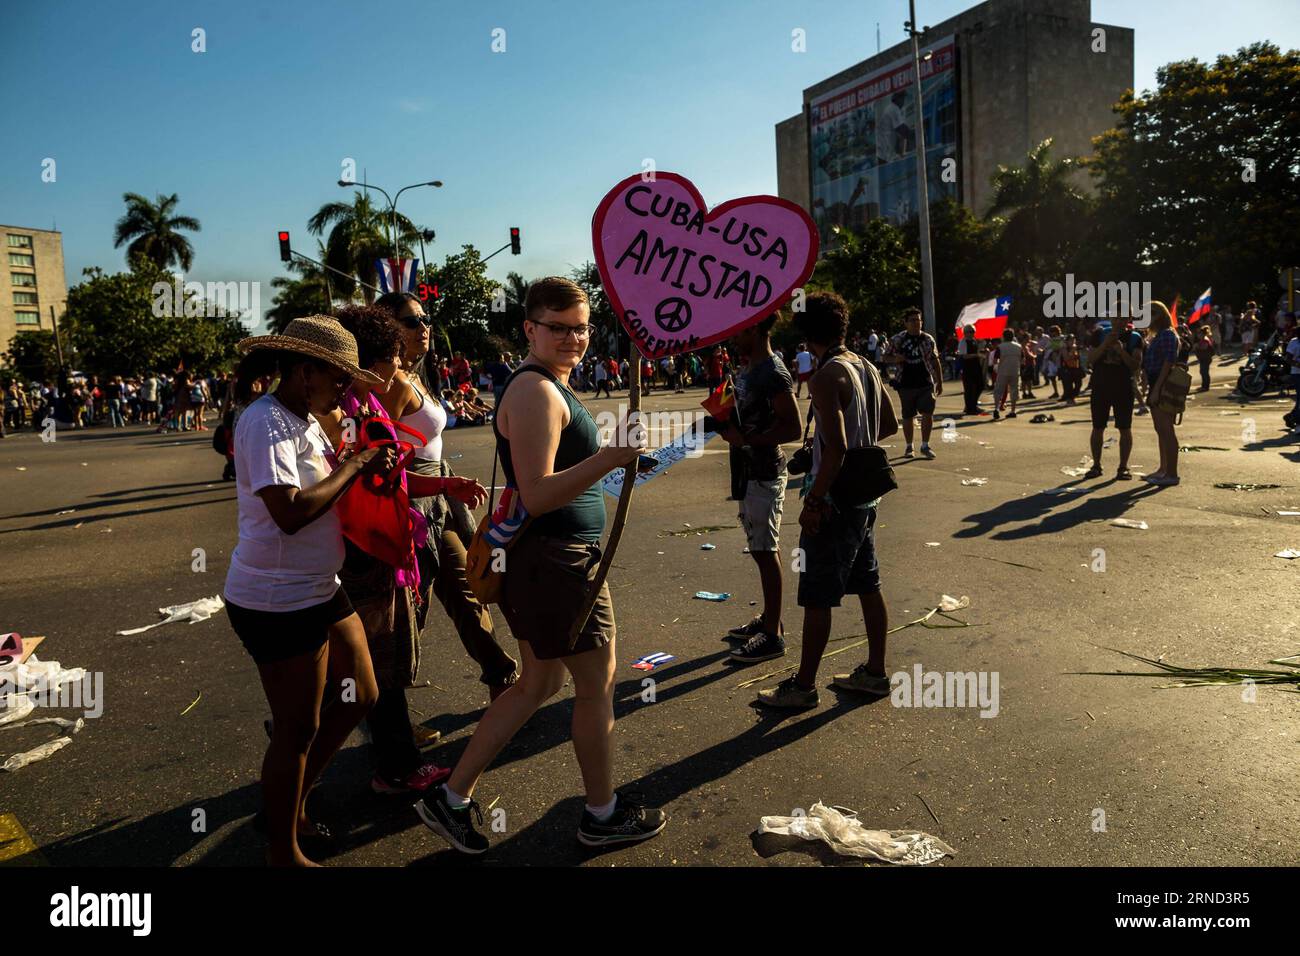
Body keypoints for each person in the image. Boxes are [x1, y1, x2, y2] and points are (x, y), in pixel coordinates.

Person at [415, 277, 666, 853]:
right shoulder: (535, 392)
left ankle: (449, 797)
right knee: (595, 687)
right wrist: (608, 456)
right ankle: (601, 814)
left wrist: (625, 459)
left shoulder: (552, 385)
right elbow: (536, 493)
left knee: (539, 681)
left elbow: (562, 477)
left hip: (548, 560)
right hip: (555, 563)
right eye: (558, 327)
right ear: (529, 328)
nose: (573, 337)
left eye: (580, 326)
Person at [223, 316, 397, 866]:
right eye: (340, 380)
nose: (347, 392)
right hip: (276, 598)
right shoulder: (266, 421)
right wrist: (356, 463)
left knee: (362, 694)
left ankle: (291, 797)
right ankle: (283, 849)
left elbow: (327, 491)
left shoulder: (305, 418)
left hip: (319, 586)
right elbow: (291, 511)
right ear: (305, 373)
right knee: (298, 727)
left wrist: (366, 463)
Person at [325, 305, 487, 794]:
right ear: (370, 363)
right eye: (394, 356)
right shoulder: (345, 414)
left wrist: (445, 484)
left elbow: (388, 476)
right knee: (381, 663)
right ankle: (393, 766)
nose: (400, 368)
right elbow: (359, 480)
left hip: (387, 545)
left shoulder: (367, 404)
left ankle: (335, 730)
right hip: (366, 553)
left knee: (383, 659)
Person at [373, 292, 520, 705]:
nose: (423, 327)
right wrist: (437, 485)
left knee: (466, 591)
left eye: (425, 318)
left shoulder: (417, 376)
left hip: (439, 498)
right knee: (409, 615)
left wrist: (447, 484)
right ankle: (380, 717)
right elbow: (381, 463)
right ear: (387, 329)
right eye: (410, 321)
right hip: (412, 506)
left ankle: (502, 680)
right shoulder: (394, 384)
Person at [756, 291, 899, 709]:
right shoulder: (865, 366)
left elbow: (835, 449)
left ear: (804, 334)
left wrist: (815, 501)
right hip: (865, 500)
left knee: (817, 595)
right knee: (868, 585)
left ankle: (802, 687)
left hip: (835, 501)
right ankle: (874, 672)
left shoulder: (825, 377)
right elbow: (887, 425)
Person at [715, 314, 801, 664]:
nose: (733, 335)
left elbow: (793, 427)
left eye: (738, 329)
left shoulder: (773, 371)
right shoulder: (751, 367)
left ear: (753, 328)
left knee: (766, 550)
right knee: (761, 548)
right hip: (749, 469)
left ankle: (772, 637)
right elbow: (747, 408)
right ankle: (769, 619)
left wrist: (746, 438)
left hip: (764, 471)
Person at [1085, 322, 1142, 480]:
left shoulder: (1135, 337)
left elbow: (1135, 365)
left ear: (1129, 318)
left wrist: (1121, 350)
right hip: (1100, 387)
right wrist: (1104, 344)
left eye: (1123, 316)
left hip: (1123, 388)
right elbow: (1090, 359)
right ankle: (1096, 465)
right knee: (1098, 427)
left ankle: (1123, 467)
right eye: (1116, 315)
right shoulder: (1099, 335)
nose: (1119, 319)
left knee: (1125, 428)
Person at [885, 307, 942, 456]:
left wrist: (939, 382)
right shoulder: (898, 339)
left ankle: (925, 445)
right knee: (908, 416)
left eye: (918, 320)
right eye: (912, 320)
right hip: (905, 383)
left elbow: (935, 361)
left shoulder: (928, 339)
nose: (916, 323)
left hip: (925, 382)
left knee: (927, 413)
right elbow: (885, 357)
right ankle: (909, 447)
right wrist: (895, 359)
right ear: (905, 323)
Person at [1142, 305, 1181, 486]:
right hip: (1157, 382)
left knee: (1166, 430)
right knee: (1161, 430)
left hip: (1163, 383)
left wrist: (1157, 389)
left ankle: (1171, 473)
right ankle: (1163, 469)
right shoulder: (1159, 334)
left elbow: (1168, 361)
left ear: (1158, 315)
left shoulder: (1166, 334)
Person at [991, 328, 1022, 419]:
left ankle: (996, 408)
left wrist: (995, 367)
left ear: (1003, 337)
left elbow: (995, 360)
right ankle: (1013, 410)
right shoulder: (1018, 346)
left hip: (1003, 371)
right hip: (1015, 371)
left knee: (998, 390)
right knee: (1014, 391)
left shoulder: (1000, 347)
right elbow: (1022, 359)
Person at [957, 325, 984, 415]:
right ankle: (970, 408)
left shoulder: (974, 341)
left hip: (976, 366)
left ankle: (972, 405)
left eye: (973, 331)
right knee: (969, 388)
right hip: (967, 367)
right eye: (970, 331)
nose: (972, 333)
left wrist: (982, 352)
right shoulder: (963, 342)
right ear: (965, 333)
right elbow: (964, 356)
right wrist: (976, 355)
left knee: (980, 385)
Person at [1193, 325, 1216, 391]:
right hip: (1203, 358)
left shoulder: (1205, 339)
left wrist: (1197, 346)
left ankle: (1205, 387)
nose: (1198, 334)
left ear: (1202, 333)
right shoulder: (1203, 339)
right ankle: (1204, 385)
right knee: (1203, 372)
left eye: (1199, 333)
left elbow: (1204, 347)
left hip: (1206, 358)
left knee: (1204, 372)